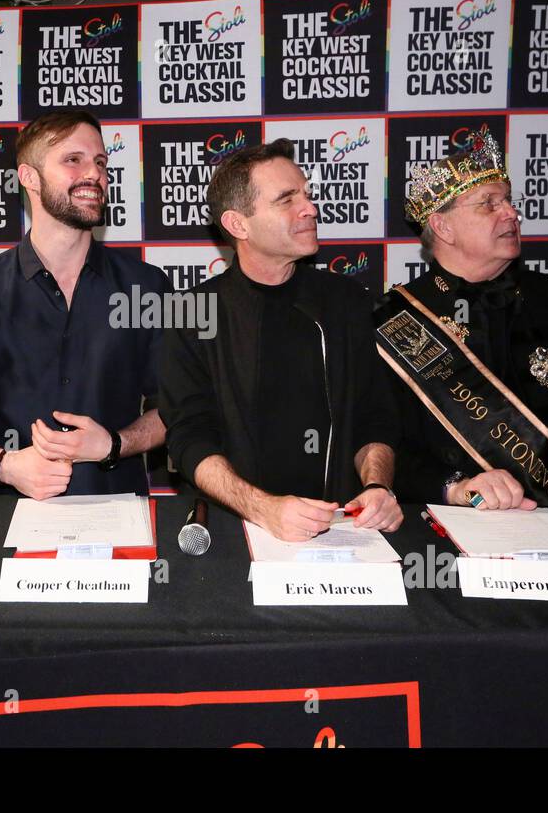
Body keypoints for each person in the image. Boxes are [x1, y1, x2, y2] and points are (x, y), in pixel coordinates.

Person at [375, 130, 548, 544]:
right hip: (453, 531)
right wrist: (453, 485)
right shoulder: (394, 319)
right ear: (441, 226)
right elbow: (383, 440)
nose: (511, 214)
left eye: (508, 200)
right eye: (489, 204)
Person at [159, 139, 403, 542]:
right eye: (287, 200)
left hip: (344, 531)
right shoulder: (191, 312)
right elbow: (189, 438)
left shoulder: (346, 300)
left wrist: (377, 486)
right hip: (233, 531)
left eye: (306, 194)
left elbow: (375, 416)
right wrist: (263, 509)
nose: (310, 208)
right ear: (239, 224)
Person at [0, 110, 169, 497]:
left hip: (119, 518)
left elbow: (172, 409)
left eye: (100, 162)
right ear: (29, 177)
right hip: (6, 519)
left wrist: (114, 445)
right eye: (74, 160)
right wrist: (7, 465)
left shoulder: (147, 287)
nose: (95, 174)